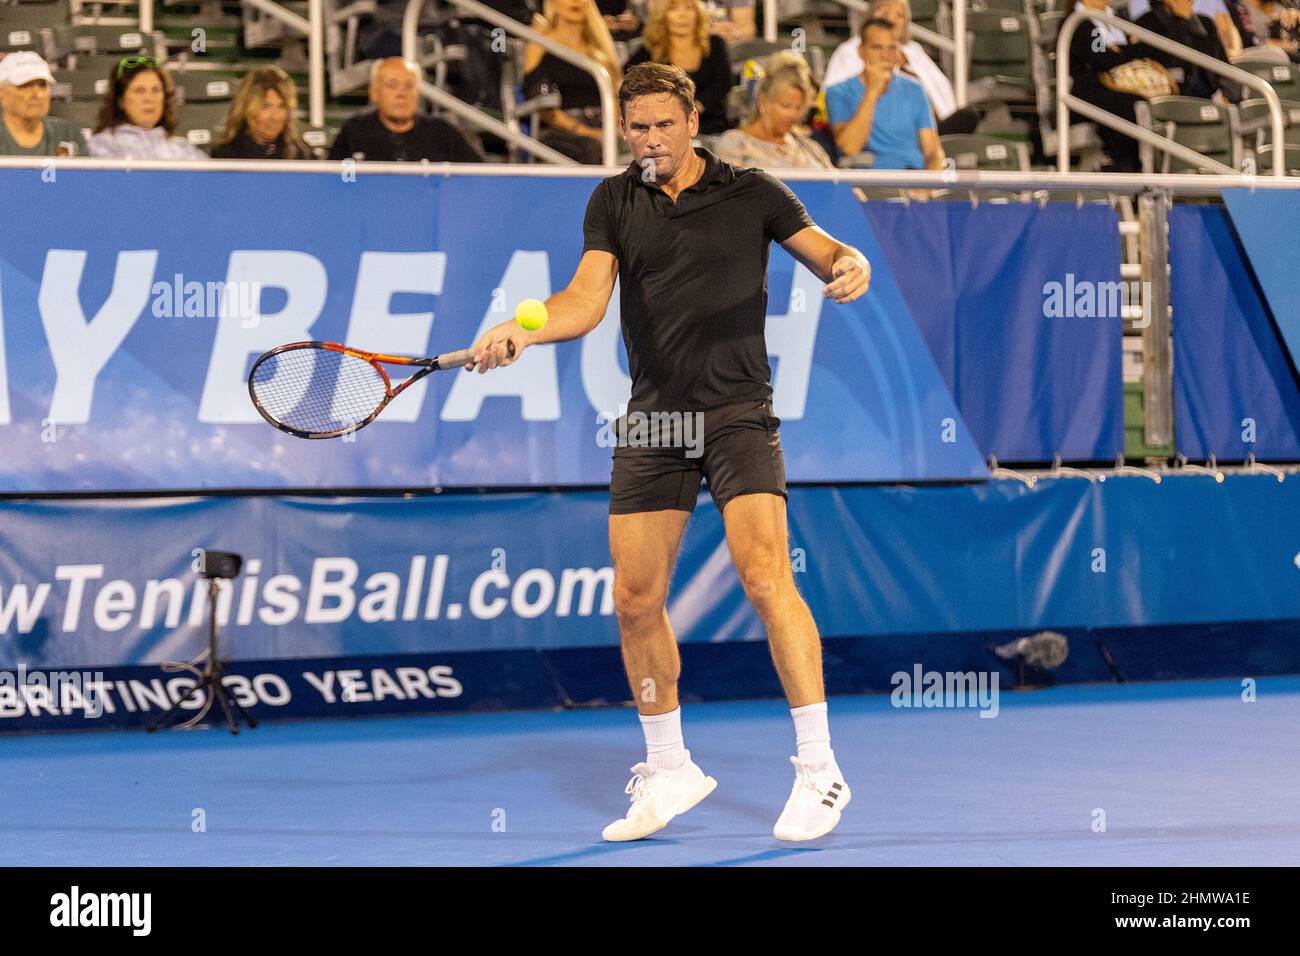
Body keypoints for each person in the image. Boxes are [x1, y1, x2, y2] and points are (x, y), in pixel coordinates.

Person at [467, 62, 871, 843]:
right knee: (634, 597)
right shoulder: (613, 199)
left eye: (661, 124)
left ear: (691, 119)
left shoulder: (753, 192)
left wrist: (852, 266)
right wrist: (523, 327)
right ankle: (669, 766)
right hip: (656, 420)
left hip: (737, 414)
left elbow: (829, 253)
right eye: (636, 126)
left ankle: (821, 771)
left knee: (764, 576)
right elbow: (584, 302)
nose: (648, 139)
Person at [823, 0, 979, 136]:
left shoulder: (914, 50)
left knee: (968, 116)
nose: (891, 18)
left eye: (899, 15)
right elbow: (834, 94)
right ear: (871, 16)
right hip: (884, 124)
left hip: (931, 125)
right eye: (884, 11)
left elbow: (941, 88)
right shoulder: (851, 50)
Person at [826, 17, 945, 169]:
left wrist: (927, 187)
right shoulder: (838, 92)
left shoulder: (916, 89)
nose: (885, 55)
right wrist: (872, 91)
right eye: (877, 47)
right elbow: (850, 147)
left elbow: (933, 152)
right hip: (870, 184)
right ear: (861, 51)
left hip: (914, 179)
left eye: (892, 48)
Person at [523, 0, 623, 164]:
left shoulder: (599, 47)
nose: (576, 1)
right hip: (559, 131)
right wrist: (586, 132)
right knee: (592, 147)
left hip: (605, 126)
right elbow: (543, 104)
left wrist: (611, 131)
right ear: (553, 3)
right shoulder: (539, 43)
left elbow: (614, 95)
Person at [328, 58, 483, 162]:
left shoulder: (442, 132)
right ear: (374, 93)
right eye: (392, 86)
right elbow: (335, 184)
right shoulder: (355, 131)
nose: (402, 94)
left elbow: (478, 177)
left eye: (409, 86)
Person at [1068, 0, 1157, 172]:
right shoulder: (1078, 22)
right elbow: (1103, 58)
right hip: (1090, 91)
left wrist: (1120, 50)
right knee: (1131, 105)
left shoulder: (1118, 19)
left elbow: (1145, 49)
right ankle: (1123, 162)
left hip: (1124, 86)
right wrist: (1129, 50)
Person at [626, 0, 731, 135]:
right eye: (673, 8)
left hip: (710, 126)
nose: (683, 15)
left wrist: (696, 106)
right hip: (662, 131)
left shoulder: (715, 44)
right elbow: (625, 78)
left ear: (698, 13)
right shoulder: (650, 50)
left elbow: (724, 83)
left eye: (689, 8)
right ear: (662, 15)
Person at [716, 51, 834, 167]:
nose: (793, 114)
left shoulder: (809, 148)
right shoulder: (735, 144)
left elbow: (837, 182)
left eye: (798, 108)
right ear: (763, 100)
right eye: (786, 106)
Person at [87, 57, 208, 160]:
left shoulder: (183, 149)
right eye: (139, 91)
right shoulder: (102, 145)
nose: (149, 98)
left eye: (156, 90)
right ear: (120, 101)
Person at [1136, 0, 1241, 100]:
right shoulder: (1145, 25)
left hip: (1213, 100)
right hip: (1176, 101)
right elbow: (1173, 63)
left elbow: (1224, 68)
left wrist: (1228, 95)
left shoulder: (1205, 23)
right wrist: (1181, 20)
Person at [0, 51, 88, 156]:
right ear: (2, 94)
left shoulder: (67, 134)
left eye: (42, 85)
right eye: (25, 85)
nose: (37, 94)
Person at [212, 66, 309, 159]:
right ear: (246, 108)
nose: (275, 117)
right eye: (265, 106)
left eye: (282, 106)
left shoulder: (301, 155)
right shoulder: (223, 156)